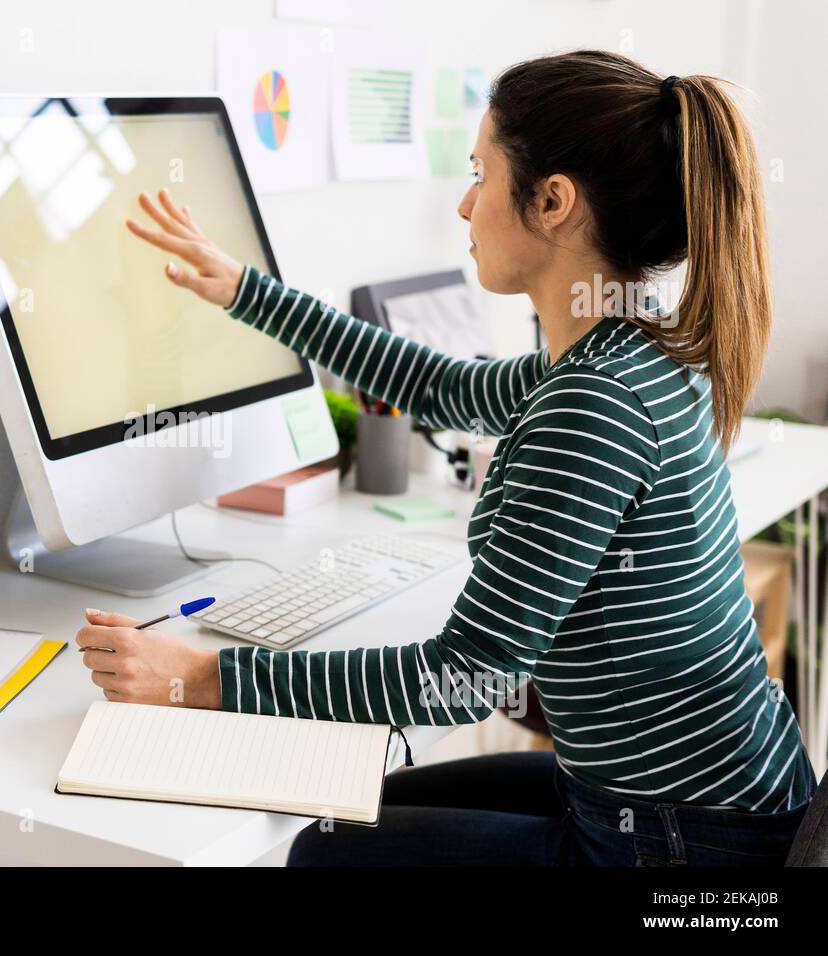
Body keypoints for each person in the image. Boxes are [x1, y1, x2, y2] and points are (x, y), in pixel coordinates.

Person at [77, 50, 817, 866]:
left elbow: (464, 680)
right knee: (354, 805)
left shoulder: (596, 403)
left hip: (687, 842)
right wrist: (245, 290)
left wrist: (205, 677)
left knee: (318, 853)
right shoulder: (626, 349)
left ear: (552, 201)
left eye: (480, 172)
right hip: (692, 800)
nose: (465, 204)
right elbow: (442, 386)